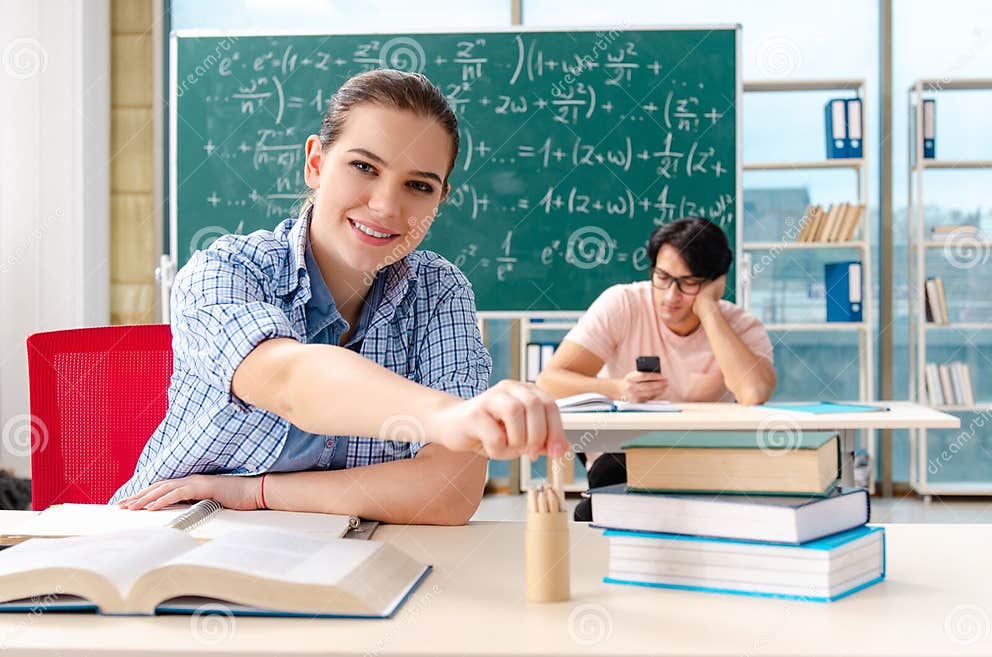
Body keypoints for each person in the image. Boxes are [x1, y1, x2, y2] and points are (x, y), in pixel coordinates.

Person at [110, 69, 567, 525]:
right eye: (364, 167)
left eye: (418, 186)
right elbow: (292, 382)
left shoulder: (439, 291)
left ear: (440, 199)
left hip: (342, 559)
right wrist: (449, 416)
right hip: (175, 532)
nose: (387, 206)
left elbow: (449, 493)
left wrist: (256, 492)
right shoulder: (226, 269)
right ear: (316, 163)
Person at [536, 217, 776, 520]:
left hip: (702, 459)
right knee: (608, 495)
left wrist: (709, 311)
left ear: (717, 282)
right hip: (625, 454)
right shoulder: (623, 303)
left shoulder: (741, 327)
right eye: (662, 277)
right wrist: (618, 389)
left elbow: (754, 392)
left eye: (688, 283)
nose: (670, 296)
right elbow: (549, 381)